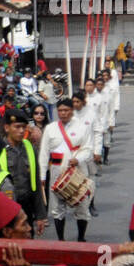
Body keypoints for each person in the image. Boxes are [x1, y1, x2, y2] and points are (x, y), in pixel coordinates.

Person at [38, 98, 93, 242]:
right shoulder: (50, 128)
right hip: (57, 172)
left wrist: (78, 159)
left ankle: (81, 237)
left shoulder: (82, 127)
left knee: (82, 206)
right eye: (60, 110)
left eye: (66, 110)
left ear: (72, 110)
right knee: (57, 209)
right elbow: (44, 153)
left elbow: (88, 149)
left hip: (78, 171)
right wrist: (42, 176)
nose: (63, 113)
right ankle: (61, 239)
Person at [0, 111, 46, 236]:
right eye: (17, 127)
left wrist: (40, 216)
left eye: (23, 127)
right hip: (5, 207)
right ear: (7, 128)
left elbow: (36, 183)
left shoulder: (30, 148)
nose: (21, 131)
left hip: (26, 206)